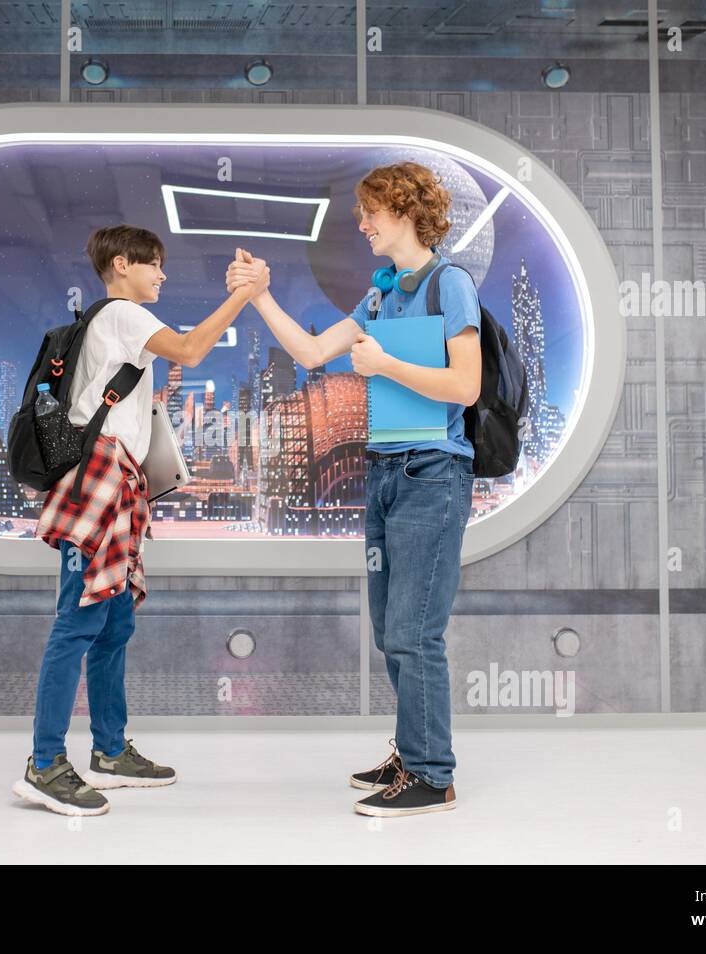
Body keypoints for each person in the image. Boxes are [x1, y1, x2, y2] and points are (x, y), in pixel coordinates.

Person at [226, 161, 481, 817]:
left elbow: (466, 388)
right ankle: (410, 752)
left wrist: (386, 363)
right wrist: (260, 296)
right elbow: (312, 354)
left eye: (370, 212)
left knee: (413, 632)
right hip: (386, 473)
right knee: (389, 630)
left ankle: (432, 775)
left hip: (432, 473)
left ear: (402, 210)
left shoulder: (449, 284)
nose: (362, 224)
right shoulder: (379, 297)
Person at [13, 224, 269, 816]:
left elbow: (140, 404)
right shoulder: (123, 314)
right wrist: (245, 294)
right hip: (99, 479)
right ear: (122, 264)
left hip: (119, 479)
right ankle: (44, 764)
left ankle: (108, 752)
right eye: (154, 264)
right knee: (77, 620)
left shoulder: (116, 328)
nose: (162, 274)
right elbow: (191, 349)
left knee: (112, 623)